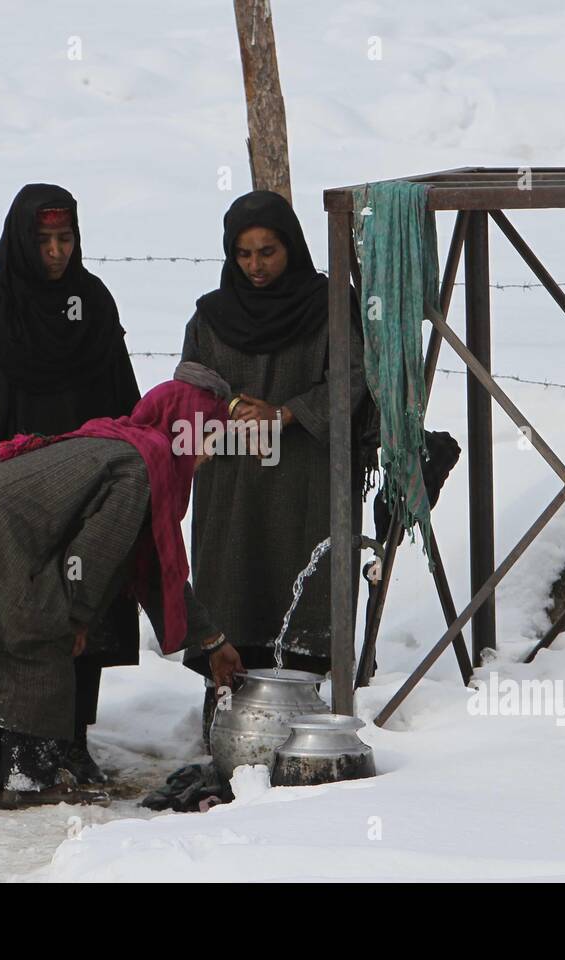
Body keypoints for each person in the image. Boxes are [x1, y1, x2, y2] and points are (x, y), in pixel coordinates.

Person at [0, 365, 247, 809]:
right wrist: (74, 617)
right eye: (207, 439)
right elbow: (94, 553)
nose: (208, 454)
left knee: (4, 638)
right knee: (39, 637)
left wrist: (211, 639)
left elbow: (153, 570)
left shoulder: (128, 444)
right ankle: (27, 782)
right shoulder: (139, 469)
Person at [0, 183, 143, 784]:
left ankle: (72, 738)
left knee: (84, 595)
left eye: (66, 239)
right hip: (15, 486)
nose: (56, 253)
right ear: (21, 243)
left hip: (87, 477)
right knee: (15, 603)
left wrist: (121, 464)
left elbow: (121, 397)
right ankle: (6, 733)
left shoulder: (91, 302)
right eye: (44, 241)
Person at [180, 190, 373, 747]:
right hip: (232, 480)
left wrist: (286, 413)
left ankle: (304, 730)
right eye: (243, 254)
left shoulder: (329, 306)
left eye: (268, 251)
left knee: (303, 588)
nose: (256, 266)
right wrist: (233, 408)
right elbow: (190, 383)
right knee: (232, 589)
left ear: (291, 246)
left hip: (307, 477)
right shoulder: (211, 316)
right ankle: (226, 729)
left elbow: (354, 377)